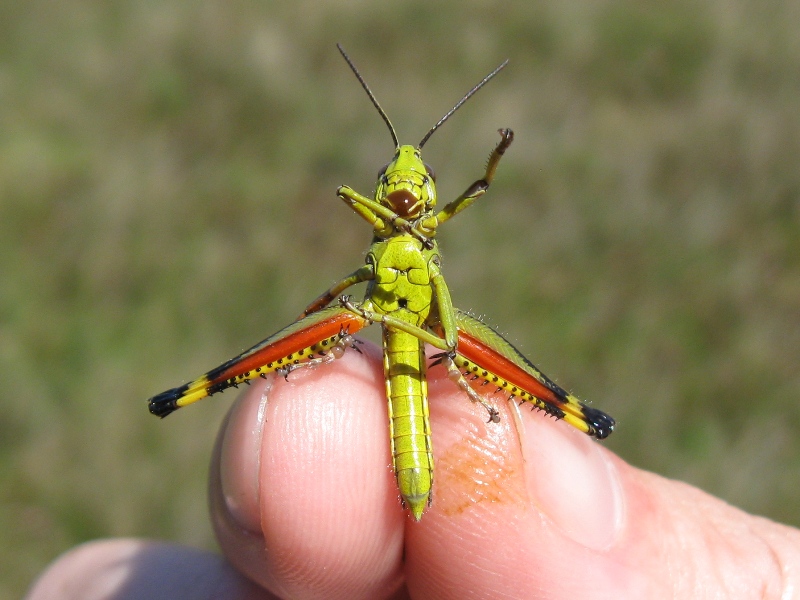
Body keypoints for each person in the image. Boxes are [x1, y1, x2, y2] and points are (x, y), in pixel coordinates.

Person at [27, 344, 800, 599]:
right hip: (383, 381)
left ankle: (574, 416)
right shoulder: (382, 226)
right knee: (273, 384)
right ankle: (189, 393)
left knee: (551, 396)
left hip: (440, 353)